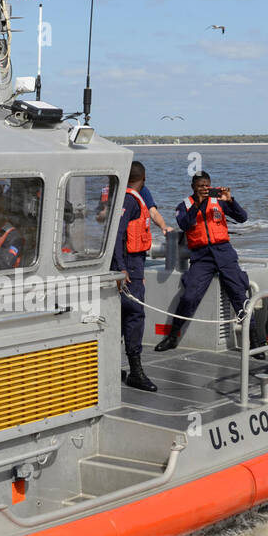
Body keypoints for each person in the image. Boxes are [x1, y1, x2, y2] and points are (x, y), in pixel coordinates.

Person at [153, 171, 250, 351]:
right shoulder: (185, 205)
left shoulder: (219, 201)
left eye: (207, 185)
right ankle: (173, 337)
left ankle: (255, 340)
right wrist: (198, 204)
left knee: (238, 293)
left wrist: (230, 200)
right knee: (190, 296)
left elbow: (242, 217)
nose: (204, 189)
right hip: (201, 256)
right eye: (200, 186)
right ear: (193, 187)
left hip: (223, 252)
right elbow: (185, 224)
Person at [112, 163, 157, 391]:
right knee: (133, 315)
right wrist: (122, 268)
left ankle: (112, 366)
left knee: (123, 315)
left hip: (134, 266)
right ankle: (135, 371)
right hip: (128, 266)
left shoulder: (123, 197)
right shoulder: (130, 199)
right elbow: (119, 233)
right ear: (144, 178)